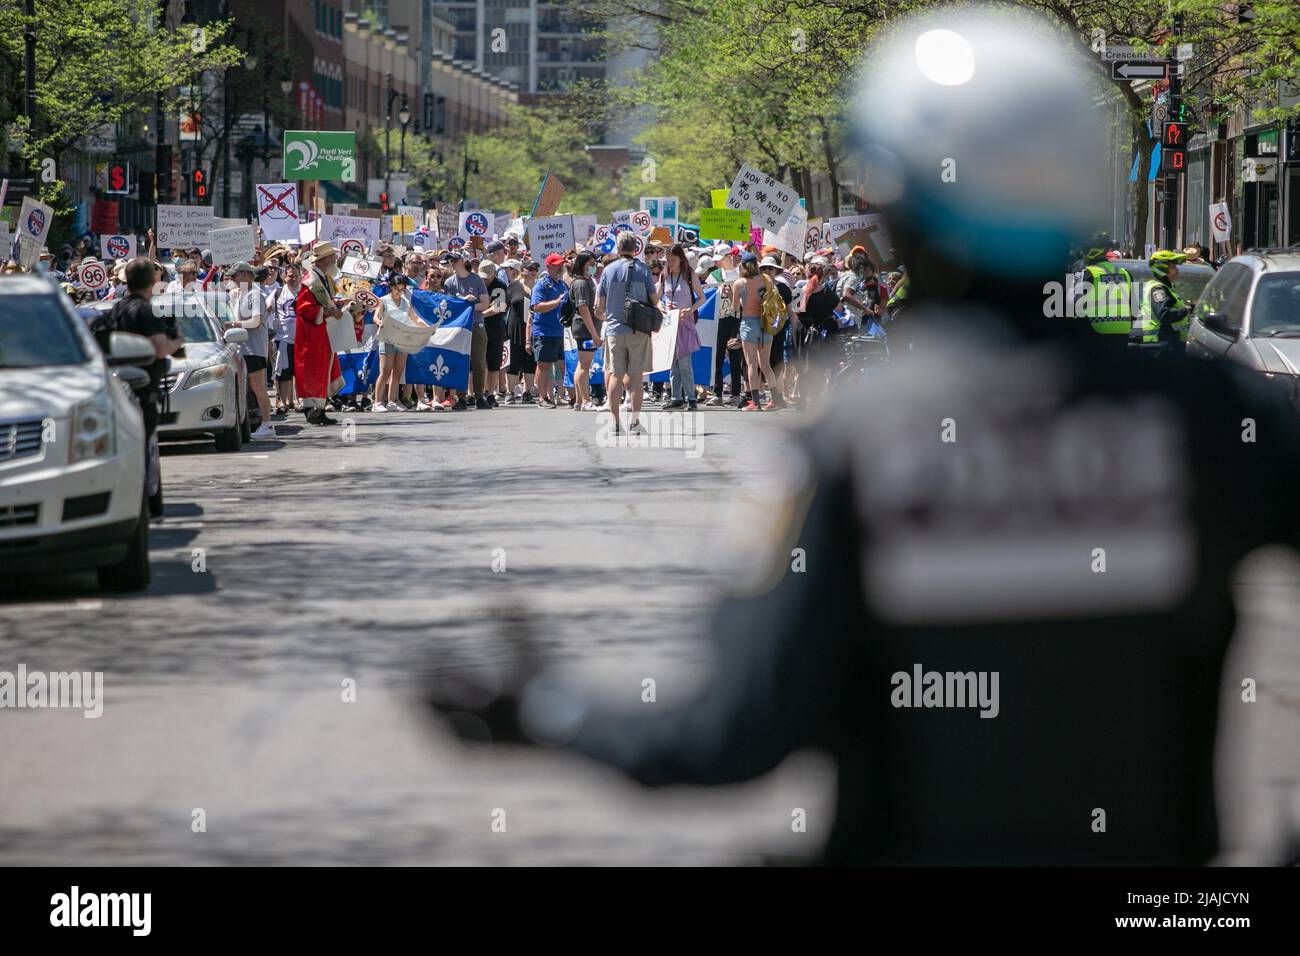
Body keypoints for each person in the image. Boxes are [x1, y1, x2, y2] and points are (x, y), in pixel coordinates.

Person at [429, 8, 1300, 867]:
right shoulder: (1206, 416)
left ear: (903, 205)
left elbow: (732, 731)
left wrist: (547, 709)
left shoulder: (858, 434)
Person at [100, 256, 185, 443]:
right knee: (143, 449)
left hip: (119, 392)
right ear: (152, 280)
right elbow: (160, 350)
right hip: (141, 392)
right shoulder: (146, 311)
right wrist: (178, 341)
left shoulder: (117, 309)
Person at [596, 232, 659, 434]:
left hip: (615, 328)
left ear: (618, 247)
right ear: (635, 248)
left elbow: (599, 306)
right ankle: (634, 421)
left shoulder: (608, 270)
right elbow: (654, 300)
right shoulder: (643, 270)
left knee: (615, 375)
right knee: (636, 376)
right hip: (639, 329)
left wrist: (609, 316)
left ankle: (615, 423)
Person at [295, 240, 347, 425]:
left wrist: (337, 304)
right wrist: (329, 311)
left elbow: (325, 301)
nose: (335, 260)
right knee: (313, 370)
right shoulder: (311, 281)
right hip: (312, 334)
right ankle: (312, 409)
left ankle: (319, 408)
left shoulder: (322, 277)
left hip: (322, 332)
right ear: (325, 260)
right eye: (332, 258)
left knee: (322, 369)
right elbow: (305, 309)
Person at [223, 261, 276, 439]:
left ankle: (267, 424)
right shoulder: (243, 295)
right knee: (252, 387)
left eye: (235, 275)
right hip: (245, 349)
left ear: (245, 274)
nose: (233, 279)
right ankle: (262, 424)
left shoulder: (255, 295)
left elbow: (255, 321)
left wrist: (234, 324)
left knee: (258, 387)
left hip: (254, 349)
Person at [443, 251, 491, 410]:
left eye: (456, 260)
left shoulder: (476, 279)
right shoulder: (449, 282)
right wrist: (465, 302)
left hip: (476, 324)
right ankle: (461, 397)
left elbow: (485, 304)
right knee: (461, 360)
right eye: (451, 261)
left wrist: (469, 305)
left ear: (463, 261)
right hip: (460, 326)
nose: (453, 263)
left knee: (478, 362)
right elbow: (450, 306)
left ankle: (479, 396)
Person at [731, 251, 777, 411]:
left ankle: (756, 402)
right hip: (765, 323)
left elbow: (735, 308)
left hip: (749, 323)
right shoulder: (766, 280)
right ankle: (776, 399)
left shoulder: (740, 283)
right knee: (766, 365)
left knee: (752, 364)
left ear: (742, 266)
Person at [658, 243, 702, 410]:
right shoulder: (665, 276)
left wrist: (690, 310)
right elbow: (657, 298)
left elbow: (701, 298)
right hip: (669, 324)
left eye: (674, 260)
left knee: (684, 363)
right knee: (673, 363)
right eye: (668, 261)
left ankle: (691, 398)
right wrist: (661, 307)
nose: (670, 264)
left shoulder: (689, 275)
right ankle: (676, 397)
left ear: (681, 260)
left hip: (684, 323)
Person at [373, 274, 421, 411]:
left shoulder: (406, 302)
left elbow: (415, 319)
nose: (399, 292)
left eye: (402, 289)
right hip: (387, 338)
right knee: (385, 370)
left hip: (402, 339)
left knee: (398, 371)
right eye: (397, 289)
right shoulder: (384, 300)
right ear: (391, 287)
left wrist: (427, 328)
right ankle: (377, 402)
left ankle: (392, 401)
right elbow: (376, 317)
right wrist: (379, 322)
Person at [528, 252, 569, 409]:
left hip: (558, 331)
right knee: (543, 366)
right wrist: (557, 302)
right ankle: (542, 397)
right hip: (544, 331)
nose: (560, 267)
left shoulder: (561, 284)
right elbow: (536, 307)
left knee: (561, 365)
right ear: (549, 266)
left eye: (561, 265)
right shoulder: (541, 284)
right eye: (557, 265)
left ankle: (560, 395)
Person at [1073, 236, 1133, 346]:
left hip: (1096, 334)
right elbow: (1134, 309)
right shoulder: (1125, 274)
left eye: (1085, 252)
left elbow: (1077, 309)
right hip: (1123, 333)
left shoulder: (1087, 274)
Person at [1130, 250, 1191, 355]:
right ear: (1163, 268)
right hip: (1161, 345)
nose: (1177, 271)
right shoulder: (1158, 289)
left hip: (1167, 343)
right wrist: (1186, 310)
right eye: (1173, 267)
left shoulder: (1165, 288)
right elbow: (1164, 315)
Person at [569, 250, 602, 411]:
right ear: (582, 265)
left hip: (586, 328)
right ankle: (585, 401)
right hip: (585, 329)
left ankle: (579, 401)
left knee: (581, 365)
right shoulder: (581, 283)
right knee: (584, 366)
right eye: (591, 265)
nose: (593, 267)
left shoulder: (586, 281)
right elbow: (583, 308)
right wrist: (594, 334)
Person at [759, 255, 793, 408]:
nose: (767, 270)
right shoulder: (758, 286)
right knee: (762, 363)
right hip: (761, 328)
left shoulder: (783, 288)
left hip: (778, 330)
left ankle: (778, 397)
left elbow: (790, 310)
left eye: (770, 268)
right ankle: (770, 396)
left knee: (776, 362)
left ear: (776, 270)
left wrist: (793, 326)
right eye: (764, 268)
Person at [268, 262, 301, 415]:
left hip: (302, 340)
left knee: (300, 372)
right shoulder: (277, 292)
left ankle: (299, 400)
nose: (292, 279)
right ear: (284, 277)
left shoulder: (304, 292)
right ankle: (281, 401)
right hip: (283, 339)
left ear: (300, 277)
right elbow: (267, 308)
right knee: (282, 372)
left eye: (295, 276)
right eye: (289, 276)